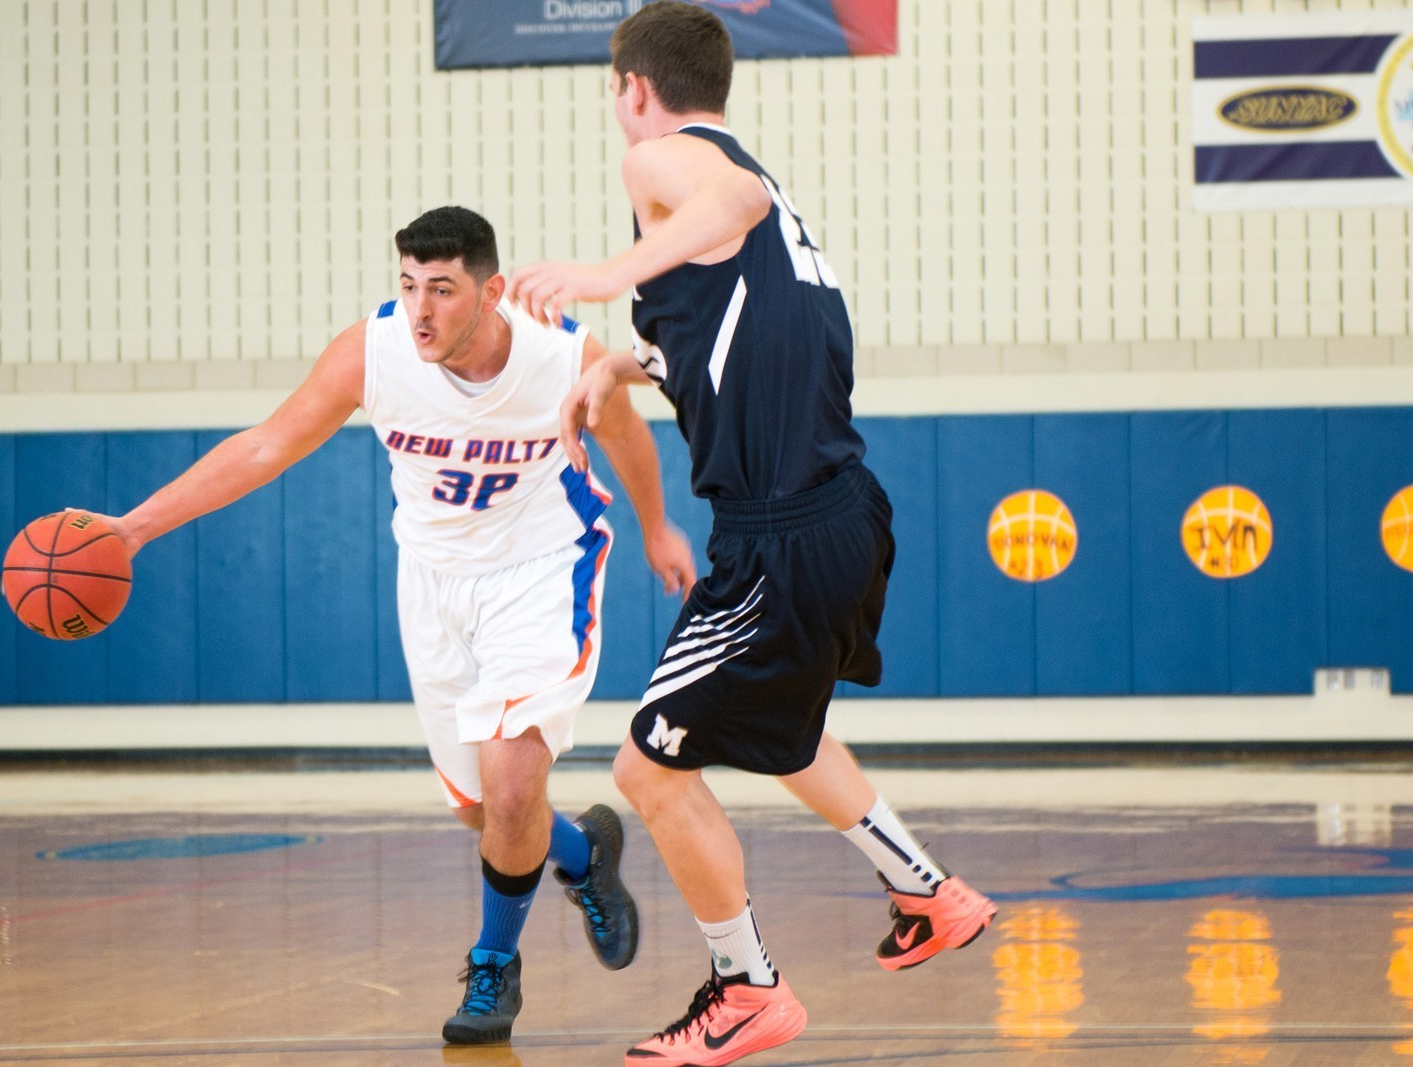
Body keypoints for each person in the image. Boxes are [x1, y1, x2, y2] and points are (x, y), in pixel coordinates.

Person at [509, 4, 996, 1064]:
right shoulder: (732, 235)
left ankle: (748, 988)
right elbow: (709, 332)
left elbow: (731, 197)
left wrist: (602, 274)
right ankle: (930, 892)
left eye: (614, 91)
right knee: (786, 727)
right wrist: (610, 364)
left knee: (648, 772)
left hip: (780, 533)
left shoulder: (674, 165)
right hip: (837, 513)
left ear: (633, 88)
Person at [89, 206, 696, 1046]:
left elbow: (626, 433)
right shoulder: (371, 351)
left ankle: (493, 967)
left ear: (490, 294)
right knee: (484, 811)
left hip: (541, 568)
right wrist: (133, 528)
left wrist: (658, 526)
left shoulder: (562, 354)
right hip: (434, 582)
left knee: (512, 776)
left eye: (442, 290)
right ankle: (584, 851)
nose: (420, 309)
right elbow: (266, 446)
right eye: (408, 285)